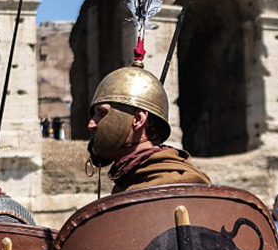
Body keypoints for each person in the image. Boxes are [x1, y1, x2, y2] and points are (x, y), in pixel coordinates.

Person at [86, 62, 209, 193]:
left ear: (138, 119)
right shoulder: (125, 183)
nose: (91, 124)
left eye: (103, 113)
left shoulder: (181, 184)